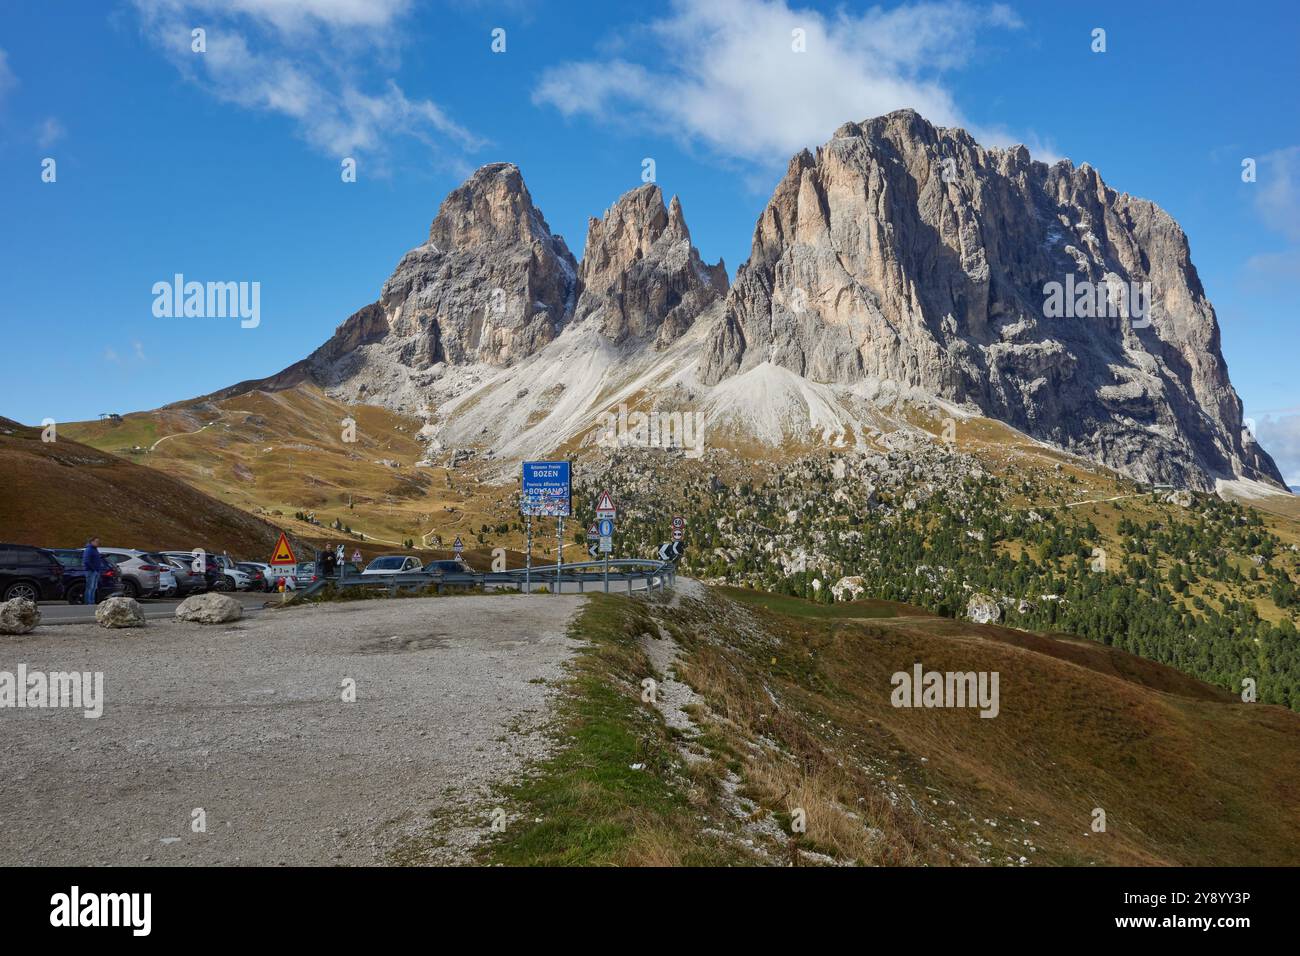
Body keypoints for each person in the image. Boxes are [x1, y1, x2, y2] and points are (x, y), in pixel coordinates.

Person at [82, 536, 108, 605]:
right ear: (91, 542)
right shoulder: (89, 550)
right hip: (91, 571)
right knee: (90, 587)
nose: (98, 543)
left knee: (93, 587)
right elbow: (86, 561)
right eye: (96, 541)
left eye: (98, 542)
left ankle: (92, 601)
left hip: (96, 571)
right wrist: (93, 569)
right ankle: (88, 602)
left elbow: (95, 559)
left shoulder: (95, 549)